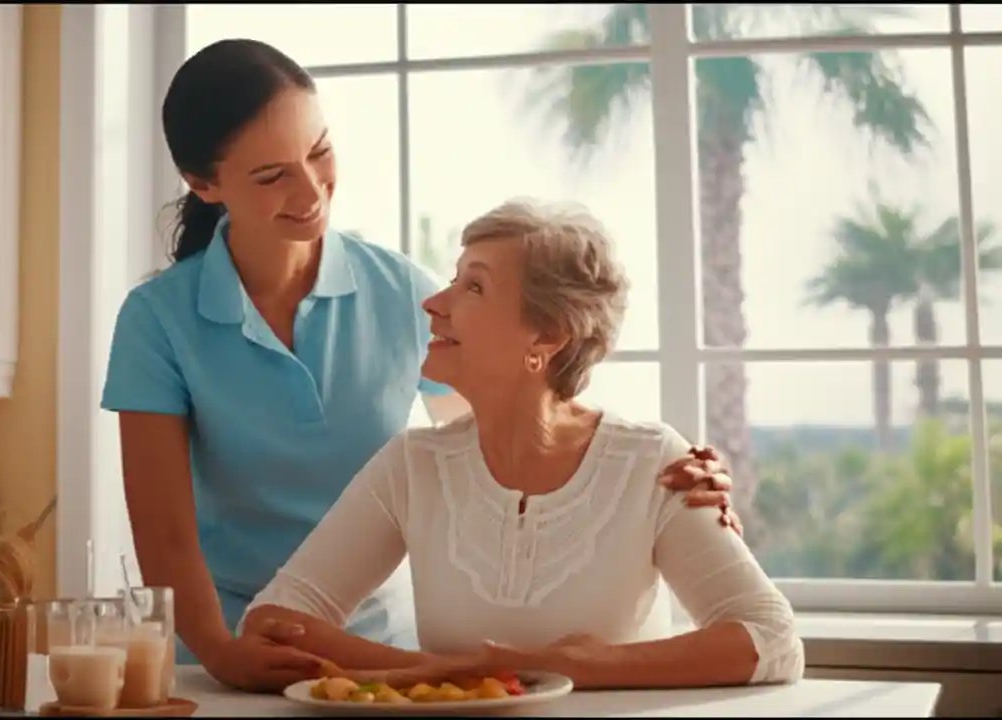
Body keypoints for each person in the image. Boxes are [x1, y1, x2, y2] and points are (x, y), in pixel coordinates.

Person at [100, 38, 742, 693]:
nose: (310, 189)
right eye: (271, 176)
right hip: (224, 655)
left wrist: (660, 472)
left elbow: (495, 443)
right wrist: (220, 651)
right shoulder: (157, 321)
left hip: (385, 659)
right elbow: (167, 536)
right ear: (204, 184)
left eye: (319, 151)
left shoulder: (402, 291)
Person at [239, 199, 804, 690]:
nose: (435, 303)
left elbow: (773, 641)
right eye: (454, 279)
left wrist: (563, 665)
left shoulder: (653, 463)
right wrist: (451, 677)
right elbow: (268, 623)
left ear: (549, 335)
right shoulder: (414, 467)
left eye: (474, 286)